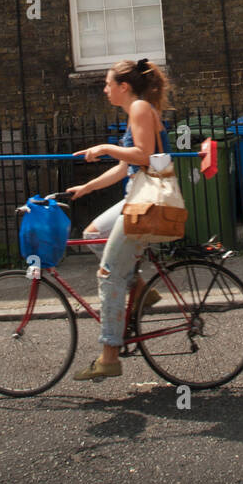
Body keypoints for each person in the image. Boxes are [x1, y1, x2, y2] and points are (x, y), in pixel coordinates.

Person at [65, 57, 172, 381]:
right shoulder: (136, 111)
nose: (105, 88)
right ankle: (139, 289)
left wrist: (106, 147)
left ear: (123, 87)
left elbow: (141, 155)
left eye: (108, 83)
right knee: (92, 233)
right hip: (135, 198)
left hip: (147, 202)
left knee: (108, 274)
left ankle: (109, 356)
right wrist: (87, 187)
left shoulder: (140, 109)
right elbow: (125, 168)